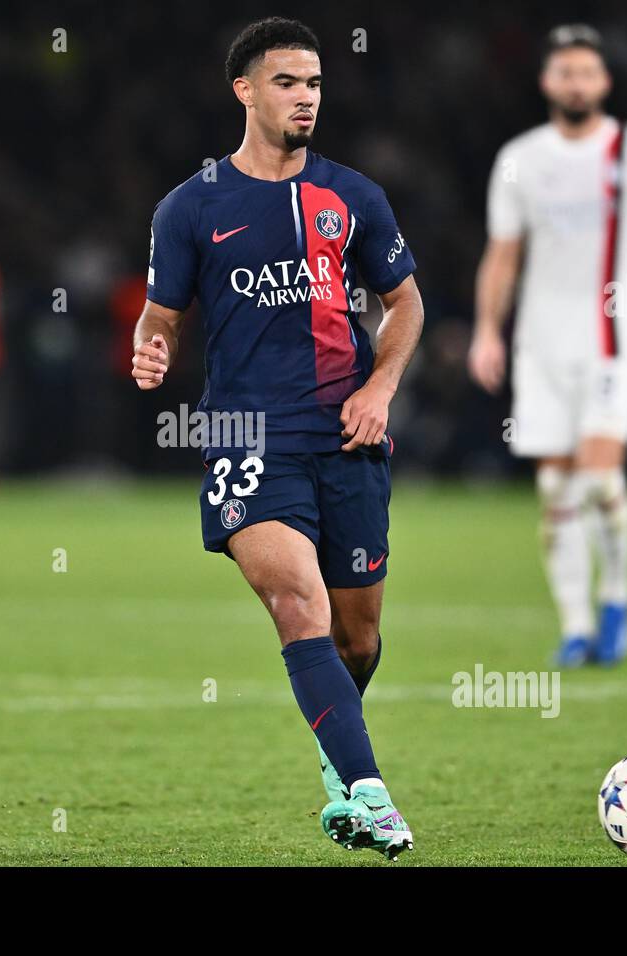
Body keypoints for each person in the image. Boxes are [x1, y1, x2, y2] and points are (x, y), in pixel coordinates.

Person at [132, 18, 424, 859]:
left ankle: (338, 770)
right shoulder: (190, 207)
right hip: (245, 435)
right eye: (289, 82)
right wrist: (152, 347)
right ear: (246, 91)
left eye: (316, 84)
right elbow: (163, 313)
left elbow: (405, 304)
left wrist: (380, 386)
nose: (306, 98)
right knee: (298, 603)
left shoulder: (355, 198)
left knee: (356, 635)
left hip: (347, 437)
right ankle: (372, 797)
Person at [468, 25, 627, 666]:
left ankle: (615, 596)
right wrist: (486, 332)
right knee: (556, 493)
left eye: (587, 72)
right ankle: (577, 628)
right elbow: (502, 255)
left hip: (616, 335)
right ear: (547, 82)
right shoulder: (519, 157)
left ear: (604, 82)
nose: (576, 83)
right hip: (540, 344)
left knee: (600, 475)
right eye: (565, 72)